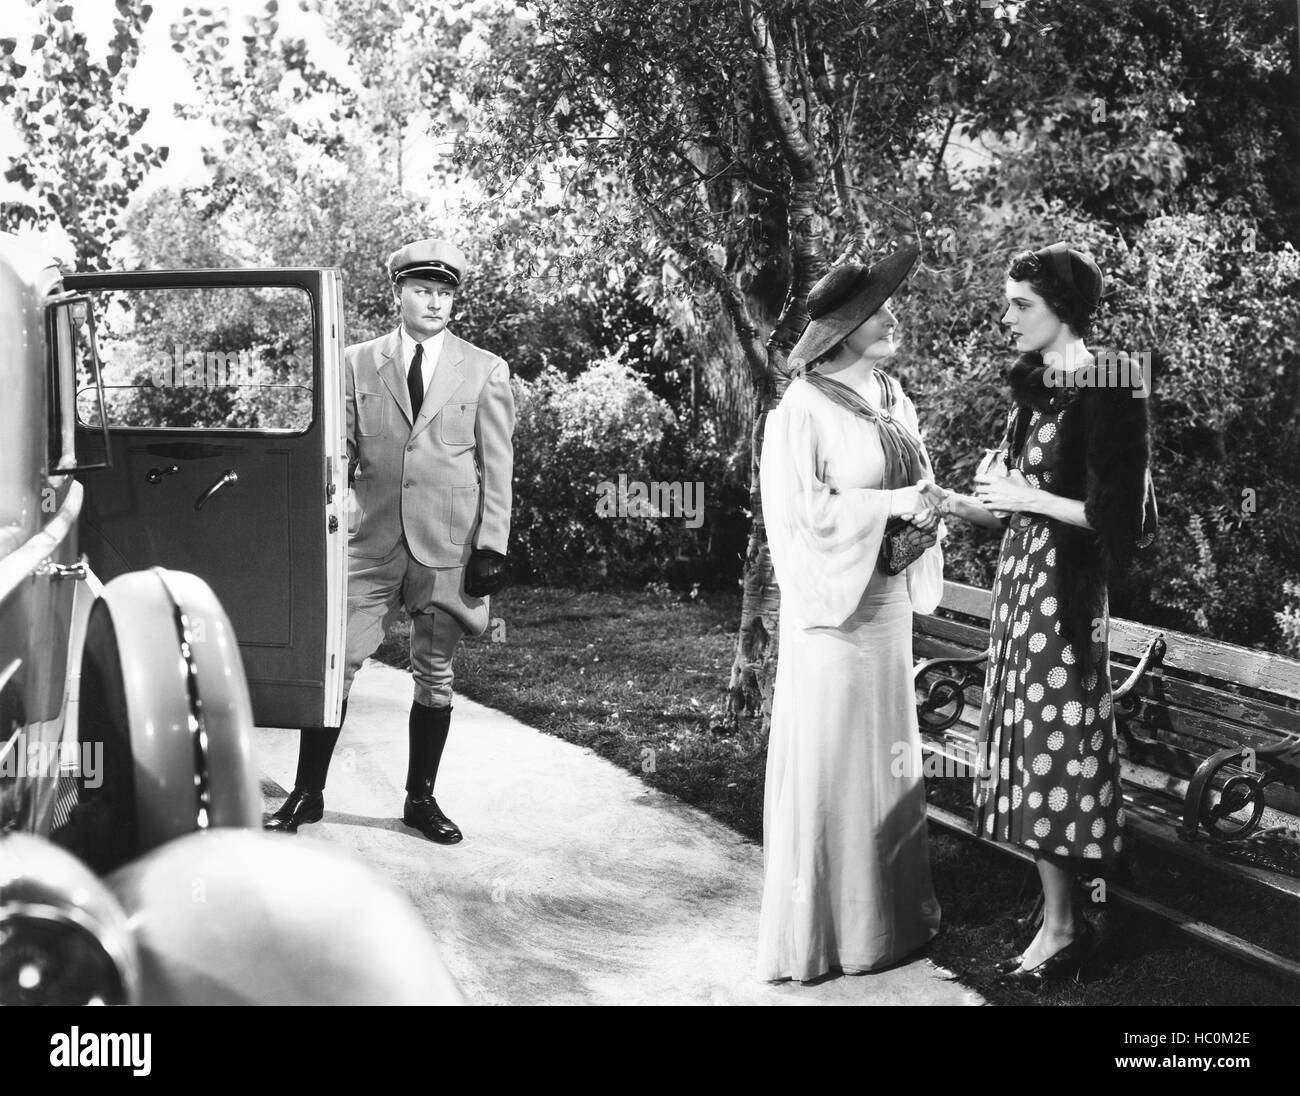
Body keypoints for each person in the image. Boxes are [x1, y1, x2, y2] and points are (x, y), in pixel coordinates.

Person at [921, 243, 1151, 987]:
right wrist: (966, 504)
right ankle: (1062, 915)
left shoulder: (1113, 382)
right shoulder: (1032, 385)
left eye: (1021, 304)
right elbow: (1015, 512)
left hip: (1065, 598)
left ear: (1064, 307)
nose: (1006, 317)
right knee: (1030, 742)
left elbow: (1123, 519)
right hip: (1020, 594)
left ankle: (1066, 925)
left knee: (1061, 743)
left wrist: (1029, 499)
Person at [265, 237, 516, 844]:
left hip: (447, 546)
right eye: (423, 290)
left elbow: (499, 463)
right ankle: (308, 792)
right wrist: (331, 508)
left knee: (435, 672)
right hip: (369, 541)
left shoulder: (483, 368)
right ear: (399, 293)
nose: (434, 302)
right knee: (336, 663)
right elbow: (339, 449)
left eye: (444, 293)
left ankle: (419, 801)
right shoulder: (355, 361)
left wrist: (492, 546)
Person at [757, 244, 945, 983]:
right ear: (845, 328)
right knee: (835, 761)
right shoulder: (798, 412)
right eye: (878, 310)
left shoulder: (897, 400)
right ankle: (831, 934)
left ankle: (893, 922)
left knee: (889, 759)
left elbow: (923, 480)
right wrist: (897, 504)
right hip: (834, 616)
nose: (892, 316)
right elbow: (799, 519)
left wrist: (927, 510)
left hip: (888, 601)